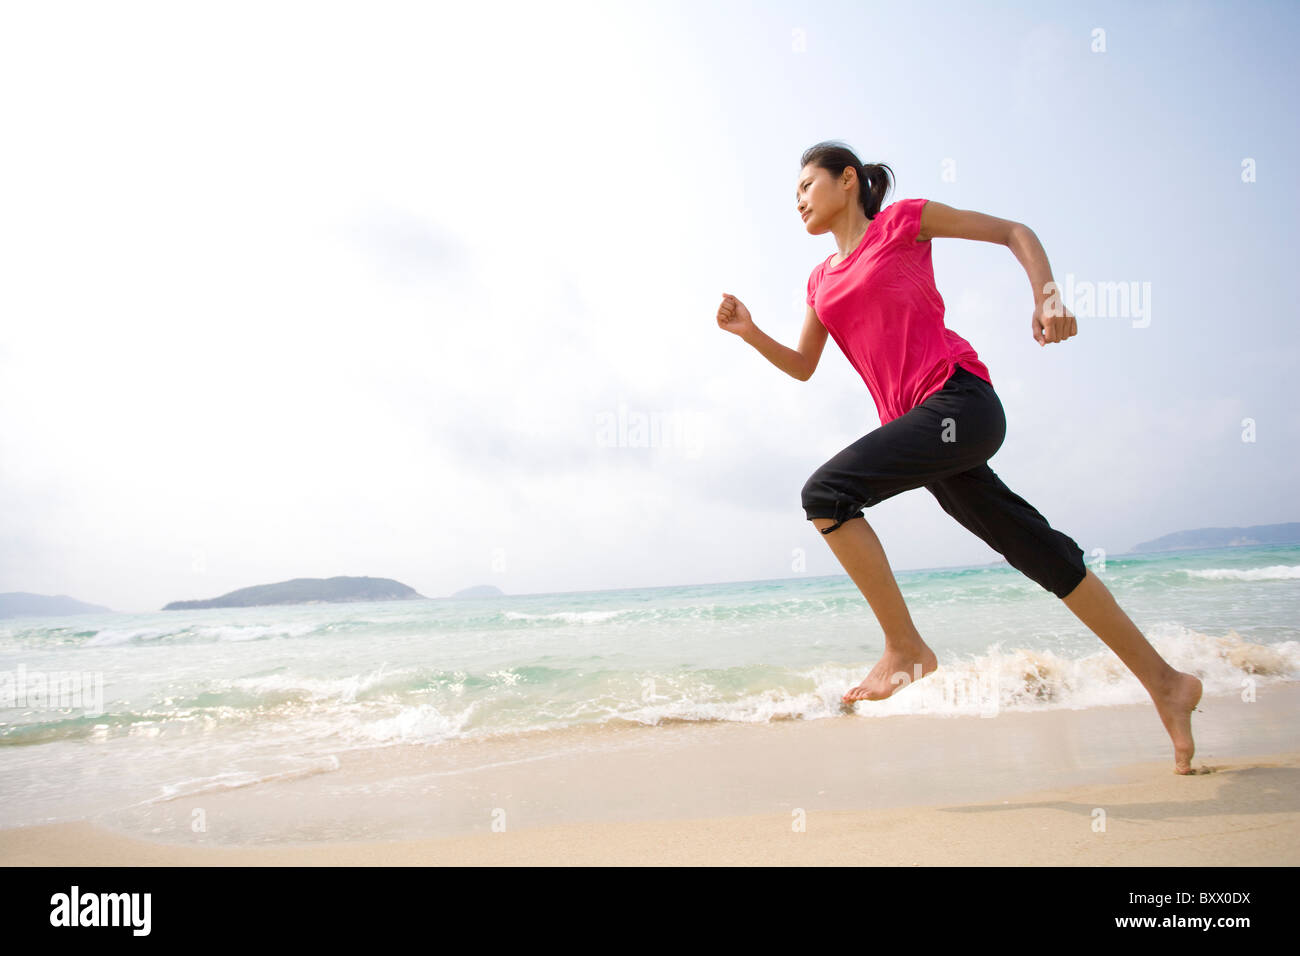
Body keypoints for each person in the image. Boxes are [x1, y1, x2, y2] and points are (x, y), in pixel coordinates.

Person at [715, 140, 1204, 775]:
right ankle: (1168, 685)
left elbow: (1013, 231)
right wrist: (750, 332)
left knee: (827, 495)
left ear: (847, 180)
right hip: (928, 439)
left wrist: (1047, 296)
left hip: (959, 403)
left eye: (807, 186)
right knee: (1045, 555)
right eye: (794, 196)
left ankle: (905, 646)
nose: (799, 201)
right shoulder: (819, 280)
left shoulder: (903, 222)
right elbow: (804, 367)